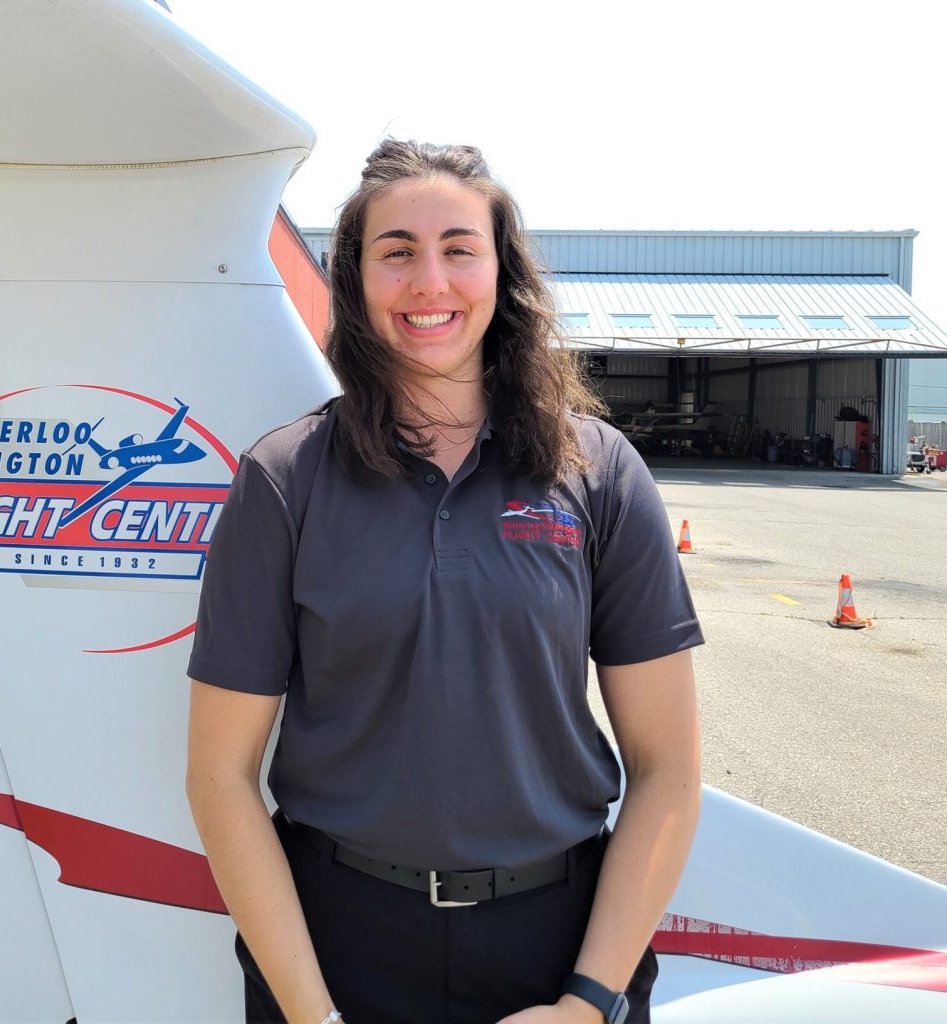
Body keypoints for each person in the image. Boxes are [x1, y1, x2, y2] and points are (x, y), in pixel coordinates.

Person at [186, 139, 703, 1024]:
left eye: (460, 248)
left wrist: (588, 1001)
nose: (431, 281)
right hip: (338, 944)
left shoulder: (599, 471)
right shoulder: (283, 480)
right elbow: (220, 776)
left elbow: (668, 770)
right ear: (355, 279)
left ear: (503, 275)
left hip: (558, 943)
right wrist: (312, 1015)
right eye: (397, 252)